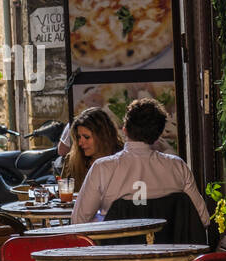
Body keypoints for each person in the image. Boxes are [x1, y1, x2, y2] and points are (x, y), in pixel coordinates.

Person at [70, 98, 212, 228]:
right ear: (158, 135)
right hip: (169, 253)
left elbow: (78, 222)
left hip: (117, 253)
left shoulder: (102, 168)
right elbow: (203, 219)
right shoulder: (178, 167)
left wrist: (106, 220)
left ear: (124, 130)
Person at [61, 107, 122, 186]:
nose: (80, 143)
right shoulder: (71, 161)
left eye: (86, 137)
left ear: (103, 136)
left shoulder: (122, 159)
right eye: (78, 137)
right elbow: (63, 192)